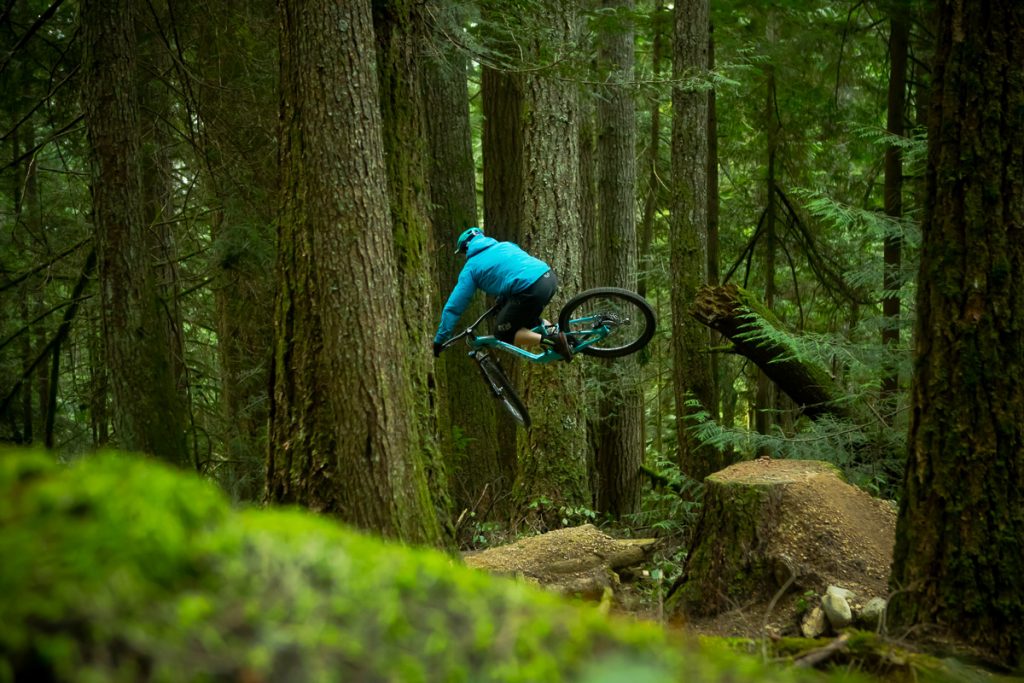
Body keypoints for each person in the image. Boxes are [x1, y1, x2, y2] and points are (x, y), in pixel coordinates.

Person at [432, 227, 573, 361]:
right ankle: (562, 337)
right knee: (528, 321)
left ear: (466, 248)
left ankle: (553, 341)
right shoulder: (505, 245)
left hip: (530, 289)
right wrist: (504, 299)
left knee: (502, 333)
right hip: (548, 277)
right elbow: (513, 269)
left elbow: (454, 306)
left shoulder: (470, 268)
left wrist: (440, 339)